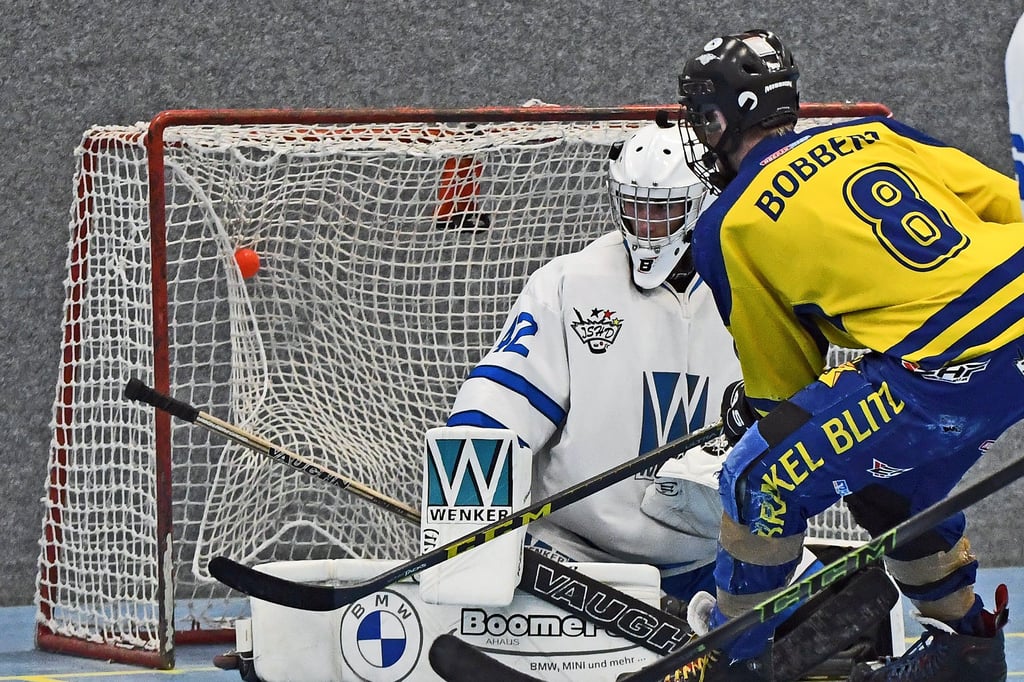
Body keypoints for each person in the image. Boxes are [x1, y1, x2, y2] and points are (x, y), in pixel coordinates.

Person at [673, 28, 1023, 681]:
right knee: (885, 480)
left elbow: (783, 384)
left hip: (942, 373)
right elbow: (1012, 205)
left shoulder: (730, 223)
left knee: (757, 479)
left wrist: (761, 417)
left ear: (716, 121)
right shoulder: (877, 133)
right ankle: (966, 649)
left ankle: (732, 660)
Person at [438, 120, 745, 605]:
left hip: (713, 555)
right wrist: (467, 526)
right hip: (576, 559)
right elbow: (497, 407)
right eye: (634, 208)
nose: (645, 228)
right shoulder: (571, 283)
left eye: (663, 211)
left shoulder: (755, 287)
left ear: (704, 204)